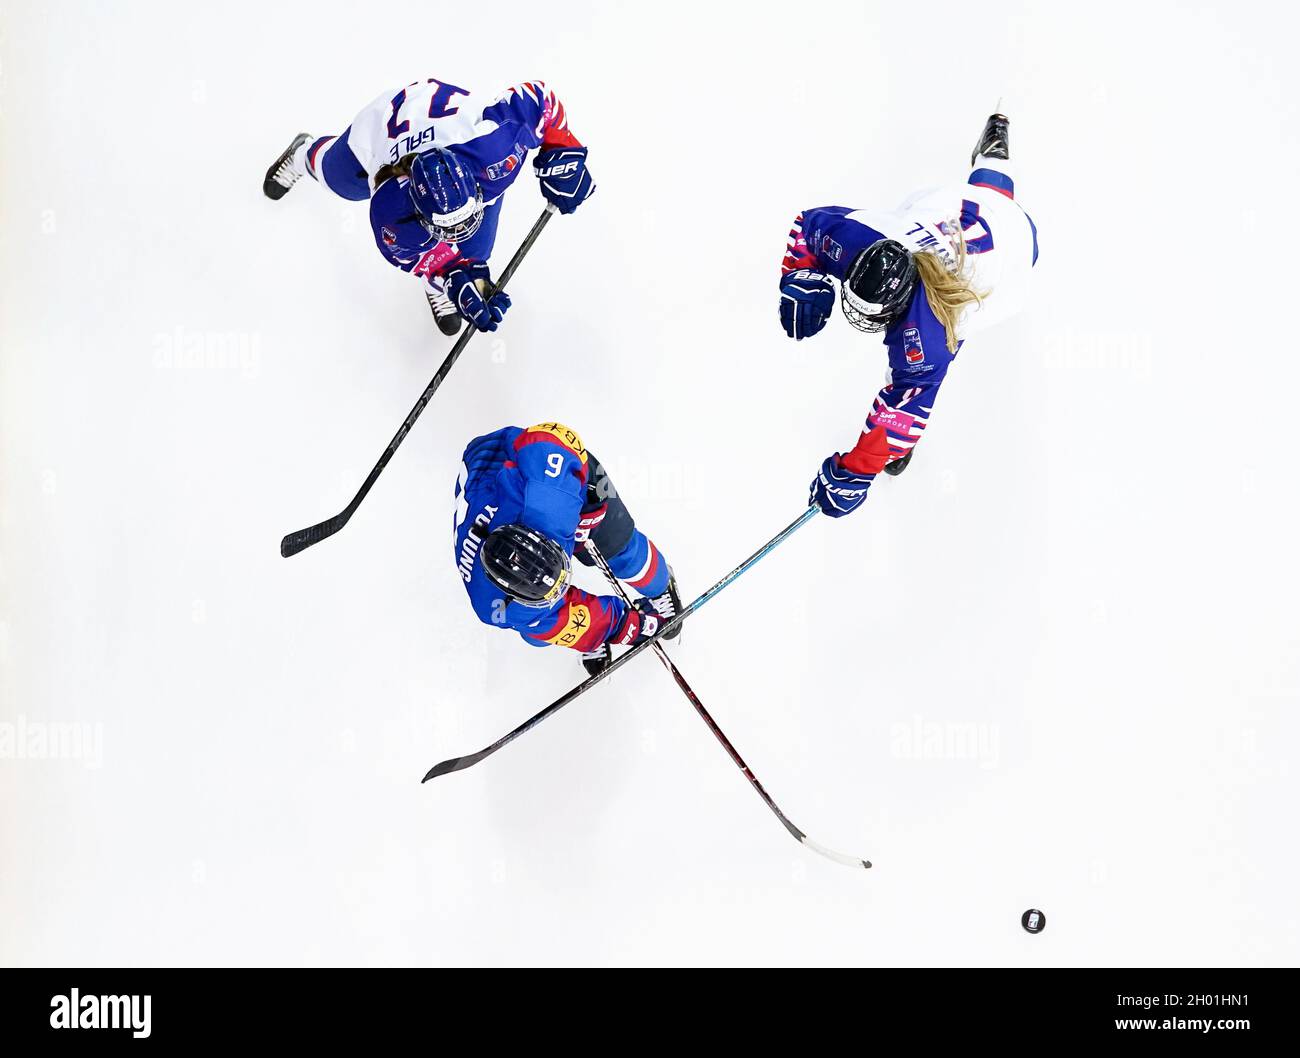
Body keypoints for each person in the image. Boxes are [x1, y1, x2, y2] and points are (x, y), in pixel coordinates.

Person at [778, 110, 1039, 517]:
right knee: (983, 200)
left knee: (928, 354)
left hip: (1014, 247)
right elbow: (810, 227)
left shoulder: (928, 331)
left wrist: (861, 468)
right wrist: (802, 276)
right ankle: (993, 158)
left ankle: (993, 162)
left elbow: (906, 402)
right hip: (956, 211)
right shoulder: (861, 241)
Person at [263, 78, 596, 335]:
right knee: (337, 178)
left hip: (445, 121)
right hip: (385, 126)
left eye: (465, 217)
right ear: (416, 212)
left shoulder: (494, 147)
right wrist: (447, 274)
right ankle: (303, 154)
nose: (460, 231)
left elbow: (541, 98)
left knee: (476, 252)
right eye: (447, 229)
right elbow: (417, 254)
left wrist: (562, 149)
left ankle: (436, 285)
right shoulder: (391, 213)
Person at [453, 422, 682, 675]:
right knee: (536, 627)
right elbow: (545, 616)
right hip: (492, 492)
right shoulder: (494, 605)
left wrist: (588, 505)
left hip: (516, 465)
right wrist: (625, 627)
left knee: (618, 545)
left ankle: (662, 586)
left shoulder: (547, 501)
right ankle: (584, 634)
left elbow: (556, 438)